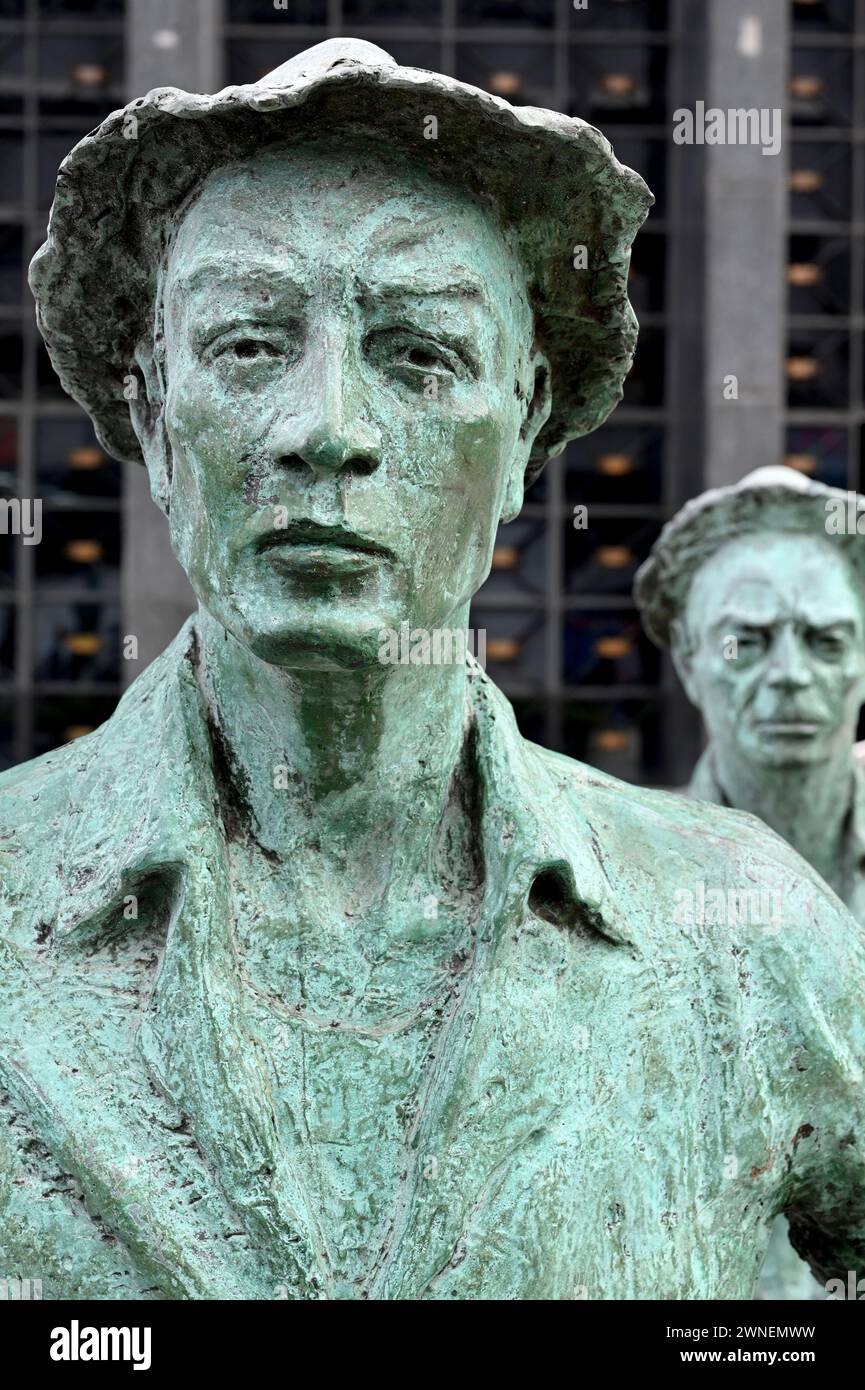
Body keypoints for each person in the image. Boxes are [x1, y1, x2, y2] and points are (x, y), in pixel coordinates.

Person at [2, 39, 865, 1301]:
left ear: (522, 429)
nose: (328, 430)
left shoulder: (751, 935)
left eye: (420, 358)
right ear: (153, 417)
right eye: (248, 345)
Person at [635, 464, 865, 1298]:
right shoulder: (617, 892)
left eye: (827, 640)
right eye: (747, 642)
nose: (791, 675)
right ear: (691, 665)